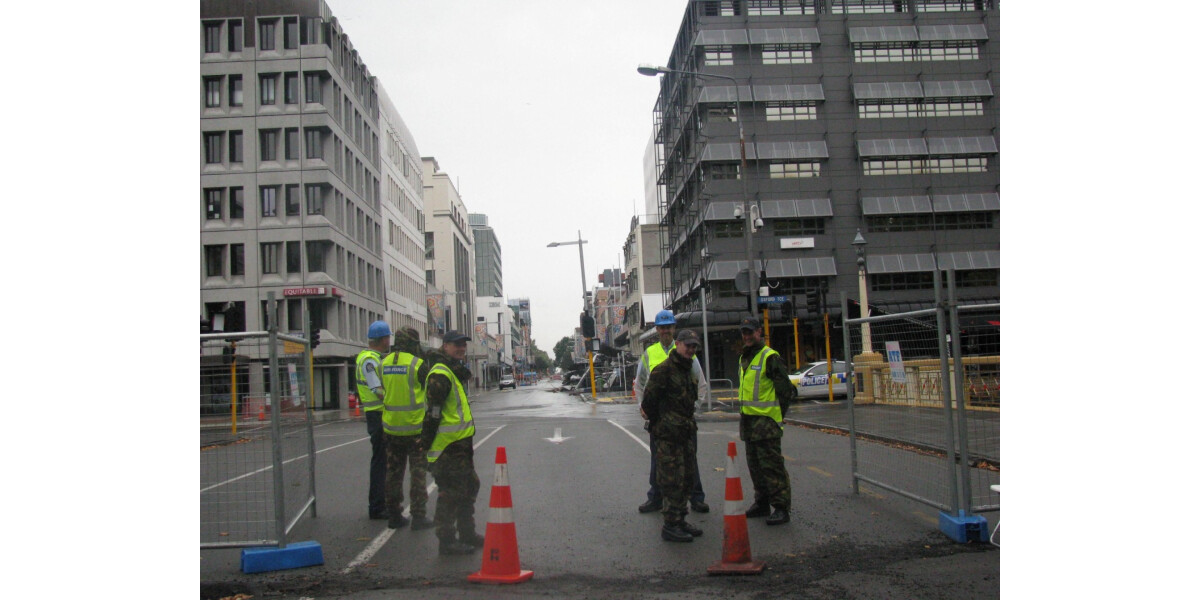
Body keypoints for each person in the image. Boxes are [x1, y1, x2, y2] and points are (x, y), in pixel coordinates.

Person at [634, 310, 708, 515]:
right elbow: (640, 383)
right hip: (659, 420)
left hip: (683, 420)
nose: (666, 331)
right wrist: (642, 407)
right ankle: (656, 498)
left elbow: (701, 385)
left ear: (674, 328)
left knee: (689, 458)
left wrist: (692, 409)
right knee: (658, 459)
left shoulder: (686, 350)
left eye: (669, 327)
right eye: (662, 327)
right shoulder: (650, 353)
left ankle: (697, 497)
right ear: (657, 329)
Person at [423, 330, 483, 556]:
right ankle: (446, 541)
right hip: (447, 446)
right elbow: (433, 413)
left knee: (469, 486)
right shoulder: (441, 373)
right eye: (456, 344)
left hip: (459, 444)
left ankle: (467, 532)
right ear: (445, 345)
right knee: (451, 492)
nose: (461, 348)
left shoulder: (452, 370)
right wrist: (427, 445)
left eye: (463, 345)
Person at [736, 317, 797, 525]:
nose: (747, 336)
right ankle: (762, 502)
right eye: (744, 332)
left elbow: (785, 391)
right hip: (749, 423)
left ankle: (781, 507)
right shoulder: (744, 357)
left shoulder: (770, 357)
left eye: (750, 332)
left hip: (766, 424)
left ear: (759, 332)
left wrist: (777, 417)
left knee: (772, 466)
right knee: (755, 466)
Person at [379, 327, 434, 531]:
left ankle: (394, 514)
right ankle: (418, 516)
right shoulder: (417, 365)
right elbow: (428, 391)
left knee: (393, 473)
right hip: (415, 429)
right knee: (417, 473)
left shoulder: (382, 364)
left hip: (392, 428)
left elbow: (384, 390)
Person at [356, 320, 392, 520]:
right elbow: (376, 390)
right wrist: (394, 398)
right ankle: (377, 506)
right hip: (377, 414)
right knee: (380, 462)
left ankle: (380, 503)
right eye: (388, 337)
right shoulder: (370, 361)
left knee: (382, 460)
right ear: (383, 339)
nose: (389, 341)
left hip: (377, 414)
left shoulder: (371, 358)